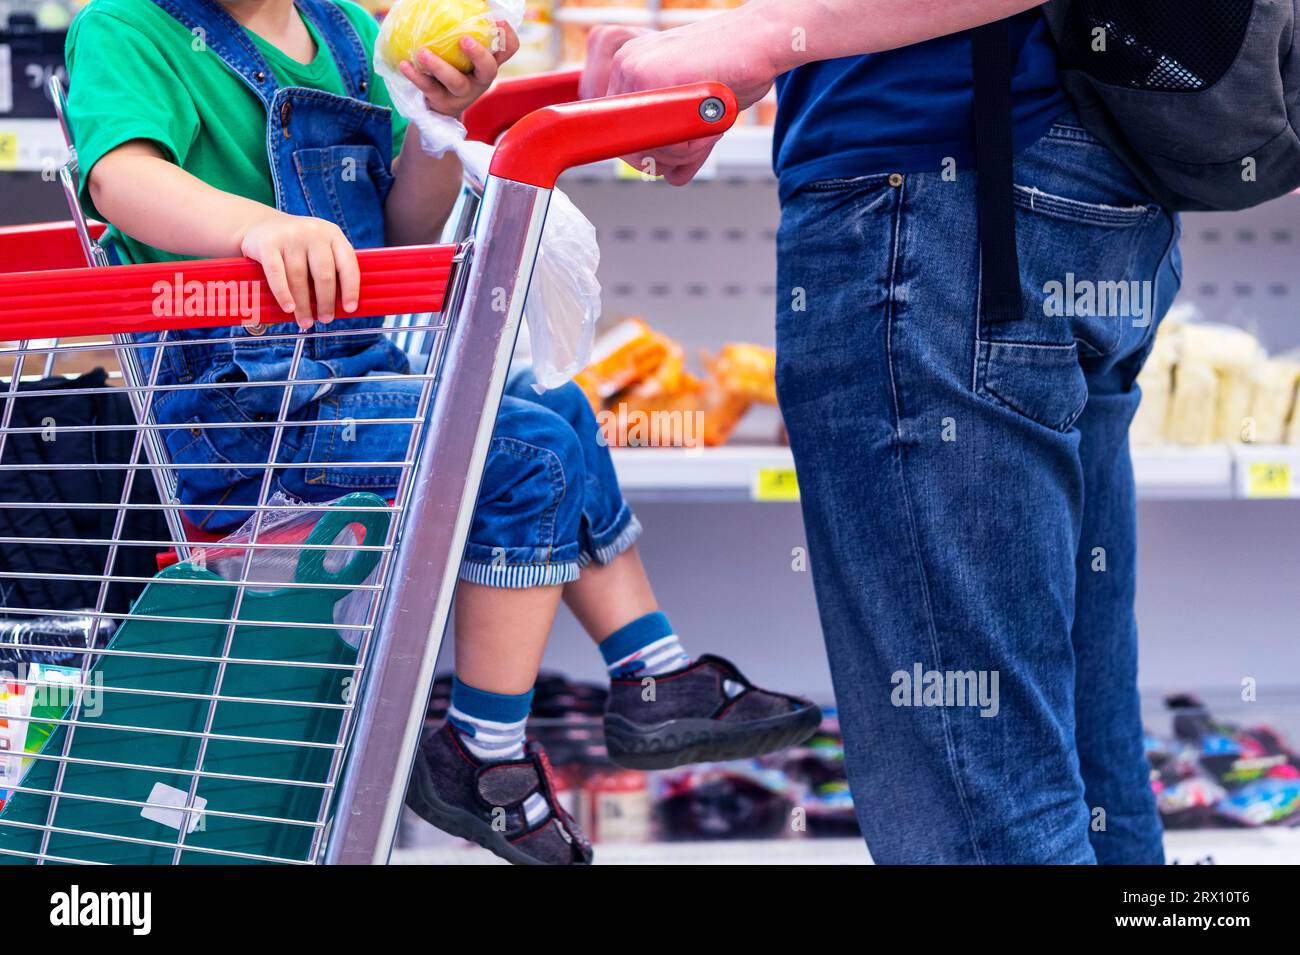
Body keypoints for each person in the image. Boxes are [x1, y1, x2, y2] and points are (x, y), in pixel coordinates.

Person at [66, 0, 820, 866]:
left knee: (556, 402)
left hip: (351, 380)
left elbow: (398, 230)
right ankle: (483, 754)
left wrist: (438, 118)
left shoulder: (347, 27)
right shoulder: (126, 27)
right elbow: (118, 176)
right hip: (242, 416)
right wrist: (255, 229)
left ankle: (652, 673)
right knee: (523, 455)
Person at [582, 0, 1182, 864]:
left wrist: (756, 39)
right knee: (1079, 765)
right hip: (1067, 187)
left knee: (982, 821)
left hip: (943, 200)